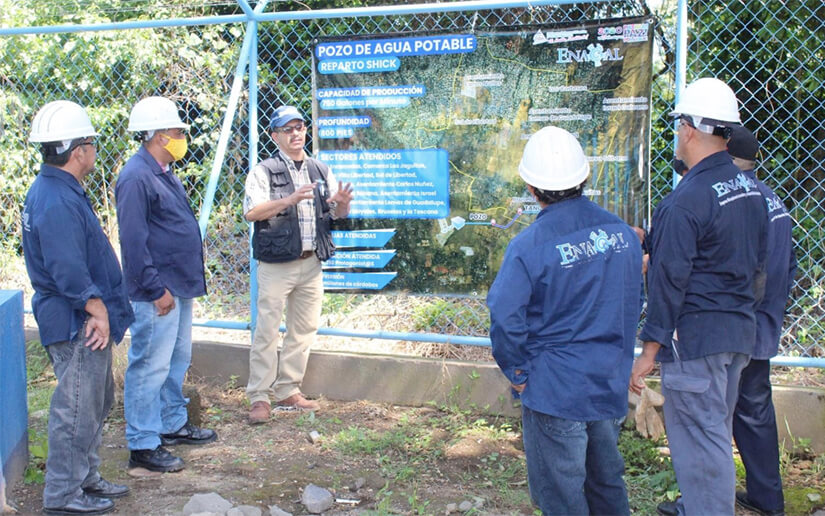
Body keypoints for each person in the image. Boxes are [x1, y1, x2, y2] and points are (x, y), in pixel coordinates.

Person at [630, 78, 769, 516]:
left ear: (688, 128)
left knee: (702, 445)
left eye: (678, 125)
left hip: (696, 342)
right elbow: (746, 258)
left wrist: (649, 350)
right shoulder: (749, 189)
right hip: (737, 336)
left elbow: (670, 281)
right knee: (713, 434)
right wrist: (655, 240)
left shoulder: (685, 199)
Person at [487, 126, 643, 515]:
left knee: (562, 495)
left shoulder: (528, 246)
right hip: (607, 384)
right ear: (584, 176)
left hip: (554, 390)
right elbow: (630, 302)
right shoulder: (622, 235)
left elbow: (505, 317)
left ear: (530, 186)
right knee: (607, 484)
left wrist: (518, 372)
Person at [22, 100, 134, 515]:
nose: (93, 150)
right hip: (76, 321)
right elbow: (66, 267)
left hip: (79, 316)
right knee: (75, 407)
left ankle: (84, 477)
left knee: (96, 400)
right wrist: (96, 309)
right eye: (90, 142)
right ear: (76, 150)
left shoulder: (56, 190)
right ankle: (63, 496)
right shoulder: (56, 199)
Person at [116, 96, 216, 473]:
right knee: (150, 365)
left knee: (177, 359)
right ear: (157, 136)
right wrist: (155, 288)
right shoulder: (135, 176)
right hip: (157, 290)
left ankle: (171, 424)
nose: (181, 137)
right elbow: (133, 241)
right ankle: (142, 443)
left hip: (178, 285)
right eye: (176, 132)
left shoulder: (161, 171)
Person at [243, 105, 353, 424]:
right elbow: (252, 213)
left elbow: (337, 215)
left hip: (311, 262)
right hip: (277, 264)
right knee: (266, 331)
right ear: (275, 135)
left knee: (303, 329)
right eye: (288, 129)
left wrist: (343, 204)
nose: (296, 133)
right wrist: (289, 201)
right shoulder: (263, 171)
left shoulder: (319, 169)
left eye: (300, 127)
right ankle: (260, 397)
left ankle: (288, 391)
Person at [728, 125, 795, 516]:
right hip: (762, 329)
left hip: (734, 330)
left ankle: (702, 500)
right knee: (756, 416)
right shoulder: (776, 203)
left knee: (712, 416)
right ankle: (767, 499)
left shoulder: (737, 202)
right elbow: (788, 268)